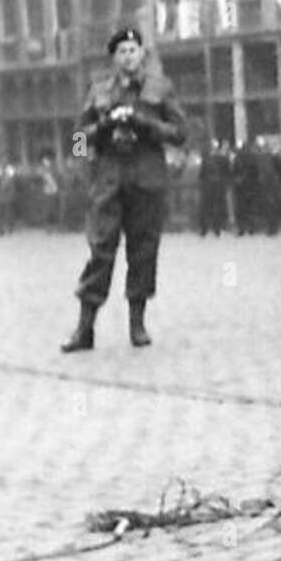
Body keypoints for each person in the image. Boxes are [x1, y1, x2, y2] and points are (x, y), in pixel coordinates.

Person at [61, 26, 187, 352]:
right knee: (101, 249)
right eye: (122, 51)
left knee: (143, 250)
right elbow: (76, 141)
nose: (128, 56)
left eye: (133, 50)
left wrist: (146, 124)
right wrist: (101, 127)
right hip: (109, 178)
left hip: (147, 177)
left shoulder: (161, 89)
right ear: (114, 58)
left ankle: (137, 324)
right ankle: (84, 329)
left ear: (142, 54)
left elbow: (180, 133)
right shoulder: (99, 91)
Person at [197, 139, 230, 236]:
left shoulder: (207, 159)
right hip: (218, 186)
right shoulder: (223, 159)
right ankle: (216, 228)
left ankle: (205, 228)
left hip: (208, 186)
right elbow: (227, 172)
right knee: (216, 207)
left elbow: (202, 174)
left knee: (206, 208)